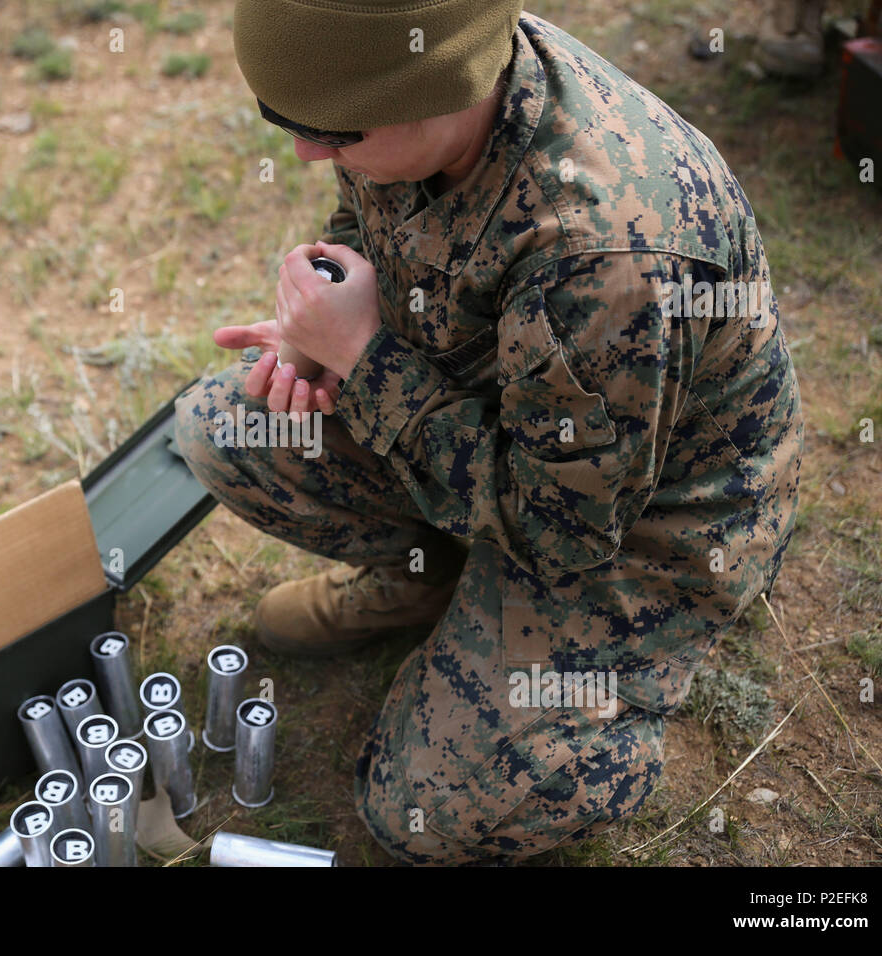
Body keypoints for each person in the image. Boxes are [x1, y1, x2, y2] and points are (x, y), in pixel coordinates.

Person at [174, 1, 804, 864]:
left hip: (643, 528)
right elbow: (374, 210)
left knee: (418, 811)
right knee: (223, 430)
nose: (306, 154)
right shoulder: (427, 85)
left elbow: (565, 534)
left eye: (333, 134)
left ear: (442, 92)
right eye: (285, 121)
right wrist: (331, 306)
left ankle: (598, 725)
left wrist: (363, 360)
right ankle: (431, 575)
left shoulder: (605, 257)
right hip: (506, 427)